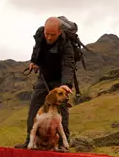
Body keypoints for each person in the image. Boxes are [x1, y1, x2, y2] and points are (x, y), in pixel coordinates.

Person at [14, 16, 76, 149]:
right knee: (34, 108)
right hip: (44, 78)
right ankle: (29, 142)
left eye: (52, 35)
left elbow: (68, 65)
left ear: (59, 32)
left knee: (62, 111)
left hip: (60, 81)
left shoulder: (66, 45)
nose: (48, 37)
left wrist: (66, 84)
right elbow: (37, 49)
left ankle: (62, 145)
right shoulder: (40, 35)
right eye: (47, 33)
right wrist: (34, 62)